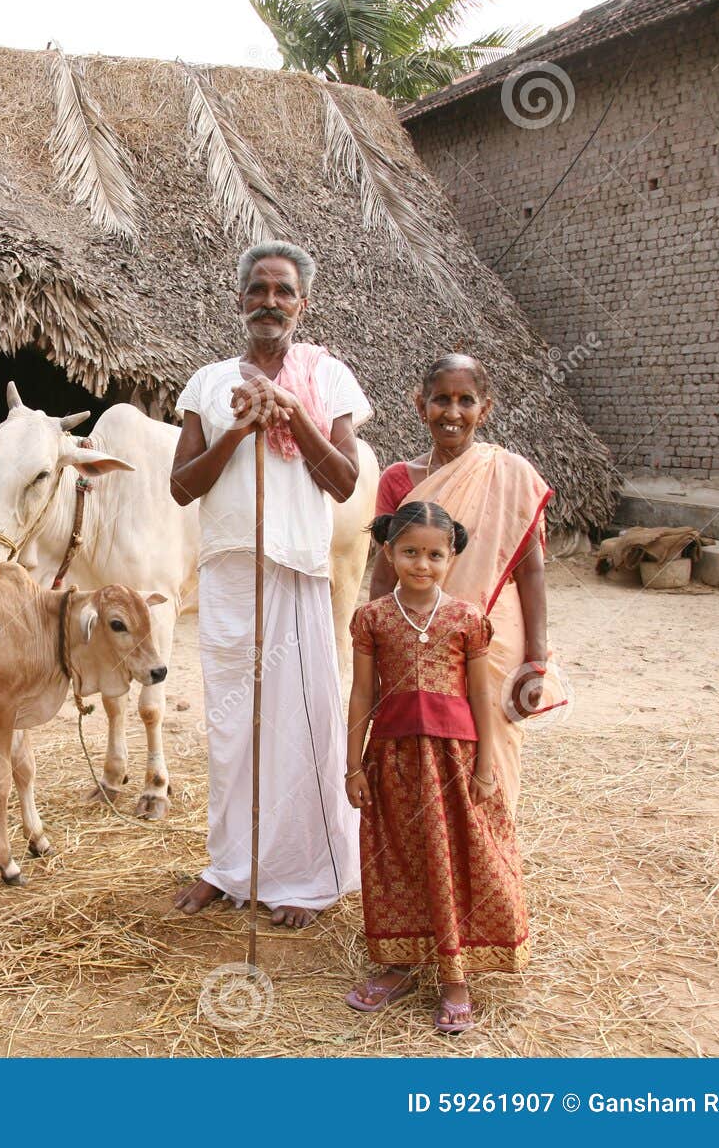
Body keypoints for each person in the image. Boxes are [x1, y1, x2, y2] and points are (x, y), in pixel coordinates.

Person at [168, 240, 369, 929]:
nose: (270, 302)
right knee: (233, 729)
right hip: (229, 572)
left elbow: (343, 480)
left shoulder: (327, 376)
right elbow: (181, 486)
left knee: (301, 725)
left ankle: (307, 876)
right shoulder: (207, 382)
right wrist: (238, 429)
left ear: (302, 304)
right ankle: (229, 868)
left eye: (283, 291)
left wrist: (290, 413)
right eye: (258, 289)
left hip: (297, 571)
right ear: (240, 299)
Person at [344, 501, 528, 1034]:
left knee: (456, 857)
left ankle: (455, 978)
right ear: (388, 551)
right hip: (394, 759)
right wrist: (353, 766)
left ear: (451, 557)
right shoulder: (372, 618)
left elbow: (480, 695)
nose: (421, 565)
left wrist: (487, 767)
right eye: (409, 552)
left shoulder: (467, 619)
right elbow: (362, 694)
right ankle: (400, 965)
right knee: (396, 857)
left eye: (434, 555)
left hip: (455, 759)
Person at [369, 354, 562, 816]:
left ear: (485, 408)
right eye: (441, 400)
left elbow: (530, 570)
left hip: (494, 639)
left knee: (493, 752)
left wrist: (535, 658)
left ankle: (492, 865)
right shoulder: (399, 480)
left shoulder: (510, 475)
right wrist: (377, 651)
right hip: (419, 636)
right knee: (429, 752)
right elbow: (382, 573)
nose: (452, 413)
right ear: (421, 405)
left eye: (465, 401)